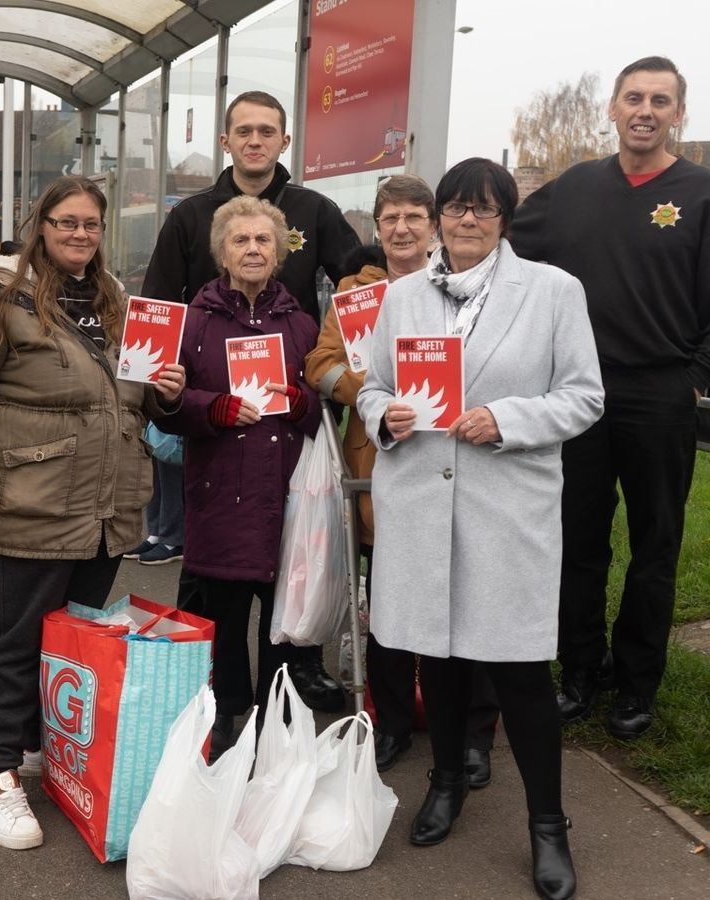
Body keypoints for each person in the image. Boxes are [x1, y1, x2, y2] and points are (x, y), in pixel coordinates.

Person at [356, 158, 603, 900]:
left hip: (506, 508)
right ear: (438, 217)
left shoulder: (553, 291)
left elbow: (584, 396)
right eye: (456, 207)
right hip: (421, 505)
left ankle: (548, 824)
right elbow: (372, 386)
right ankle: (446, 783)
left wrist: (507, 418)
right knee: (440, 658)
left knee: (520, 671)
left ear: (505, 219)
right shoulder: (403, 296)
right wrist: (385, 415)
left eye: (484, 208)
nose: (468, 220)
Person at [0, 176, 184, 850]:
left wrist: (166, 392)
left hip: (105, 507)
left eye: (91, 224)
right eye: (66, 222)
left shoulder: (116, 300)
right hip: (31, 500)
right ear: (40, 226)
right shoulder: (0, 292)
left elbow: (132, 397)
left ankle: (32, 749)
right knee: (15, 642)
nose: (80, 234)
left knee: (70, 641)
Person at [143, 89, 360, 712]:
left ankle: (289, 693)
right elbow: (157, 311)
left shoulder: (314, 216)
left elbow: (356, 283)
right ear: (226, 140)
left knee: (290, 589)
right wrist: (174, 391)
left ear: (284, 141)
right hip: (218, 460)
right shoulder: (190, 219)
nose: (256, 140)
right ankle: (214, 705)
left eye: (268, 130)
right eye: (244, 130)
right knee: (215, 599)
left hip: (286, 455)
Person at [513, 56, 710, 740]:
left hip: (661, 392)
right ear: (613, 108)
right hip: (578, 392)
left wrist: (695, 376)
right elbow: (502, 247)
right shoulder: (573, 189)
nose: (644, 110)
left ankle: (636, 683)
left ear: (678, 113)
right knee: (576, 539)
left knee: (656, 545)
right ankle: (579, 671)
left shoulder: (700, 194)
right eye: (633, 98)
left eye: (660, 100)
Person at [305, 174, 500, 779]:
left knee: (469, 600)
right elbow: (319, 365)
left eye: (414, 217)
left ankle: (474, 733)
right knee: (386, 605)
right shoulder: (354, 292)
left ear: (433, 224)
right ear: (377, 227)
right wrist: (378, 392)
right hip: (380, 466)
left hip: (460, 464)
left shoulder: (461, 285)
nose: (402, 229)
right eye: (390, 218)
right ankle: (389, 722)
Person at [154, 195, 321, 758]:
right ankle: (226, 717)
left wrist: (300, 402)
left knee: (281, 623)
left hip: (285, 498)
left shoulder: (301, 325)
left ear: (278, 252)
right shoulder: (193, 322)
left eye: (263, 239)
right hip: (221, 495)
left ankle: (275, 726)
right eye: (240, 239)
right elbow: (162, 405)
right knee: (222, 621)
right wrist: (212, 407)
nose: (252, 249)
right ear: (221, 252)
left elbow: (325, 410)